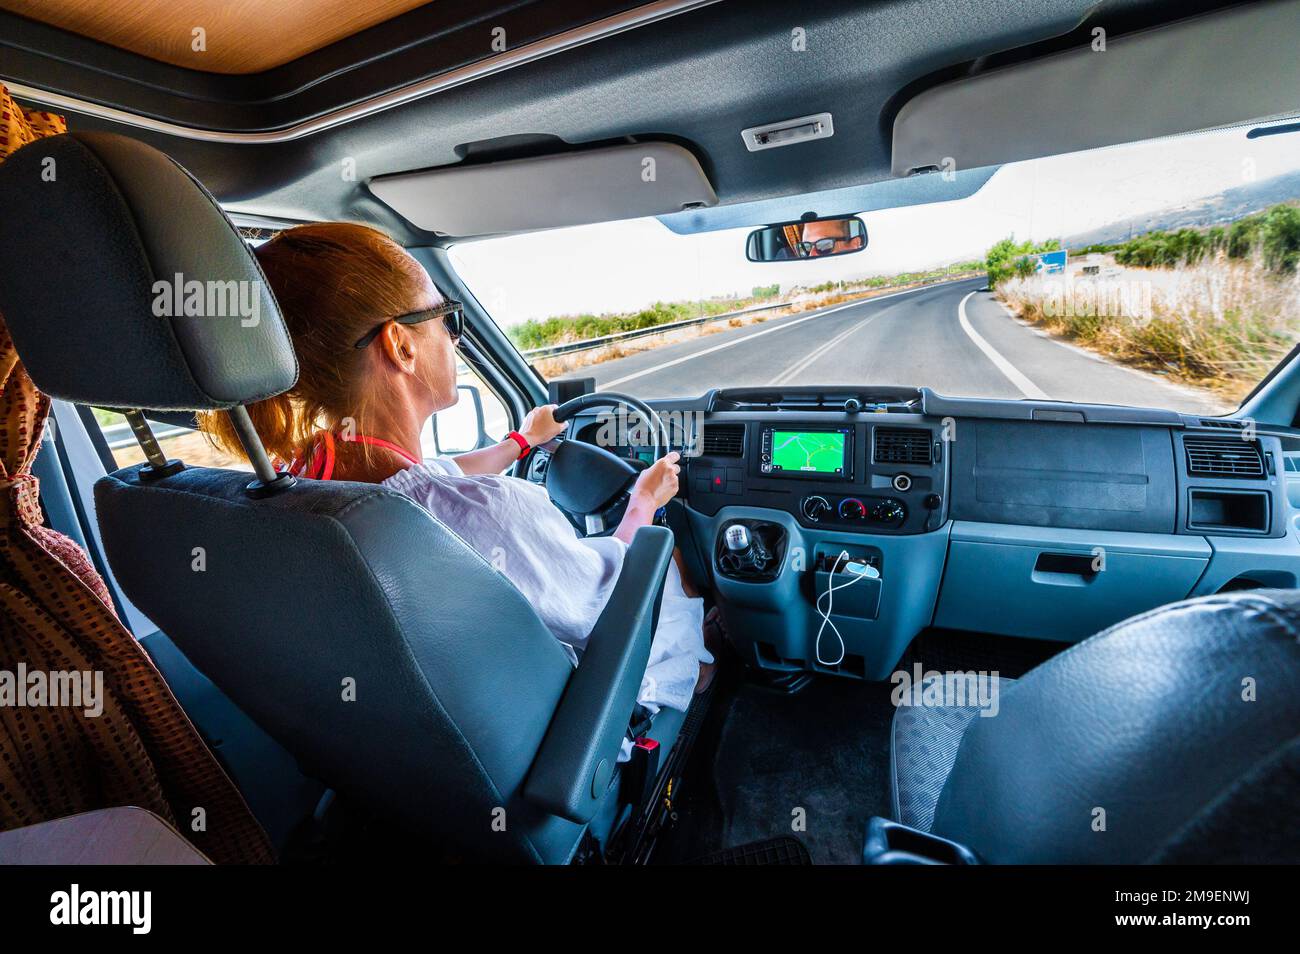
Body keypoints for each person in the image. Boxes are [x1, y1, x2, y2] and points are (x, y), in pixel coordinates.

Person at [200, 223, 714, 739]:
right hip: (569, 745)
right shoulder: (489, 512)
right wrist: (644, 503)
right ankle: (694, 687)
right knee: (665, 562)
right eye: (446, 320)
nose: (451, 336)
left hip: (420, 756)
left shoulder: (299, 485)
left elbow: (429, 480)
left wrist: (521, 442)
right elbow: (607, 595)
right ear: (401, 346)